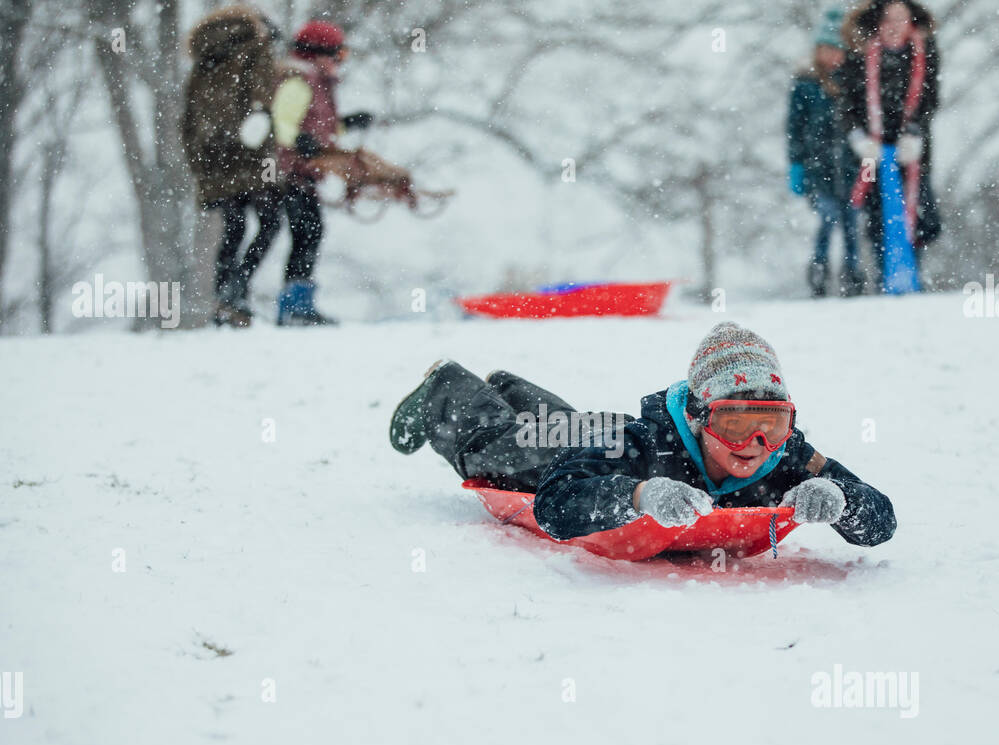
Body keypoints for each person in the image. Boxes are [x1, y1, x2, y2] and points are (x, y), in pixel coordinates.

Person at [389, 322, 895, 547]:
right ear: (699, 417)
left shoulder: (787, 457)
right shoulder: (642, 446)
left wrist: (842, 499)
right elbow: (554, 504)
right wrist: (638, 494)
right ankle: (447, 386)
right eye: (735, 425)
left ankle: (508, 386)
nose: (756, 445)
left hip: (593, 431)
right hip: (596, 446)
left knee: (556, 422)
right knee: (497, 446)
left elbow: (881, 518)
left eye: (773, 424)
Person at [182, 5, 284, 327]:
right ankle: (235, 292)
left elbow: (187, 119)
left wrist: (198, 162)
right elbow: (262, 98)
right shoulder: (257, 49)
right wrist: (263, 124)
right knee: (269, 223)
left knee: (233, 228)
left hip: (213, 157)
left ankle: (224, 300)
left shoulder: (203, 59)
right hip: (250, 154)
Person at [270, 20, 374, 326]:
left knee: (309, 233)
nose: (339, 61)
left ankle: (296, 305)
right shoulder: (299, 80)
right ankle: (293, 308)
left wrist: (347, 124)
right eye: (337, 54)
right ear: (317, 53)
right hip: (287, 173)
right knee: (306, 232)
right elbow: (280, 122)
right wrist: (297, 141)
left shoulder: (317, 82)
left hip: (303, 174)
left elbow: (317, 129)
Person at [835, 0, 941, 278]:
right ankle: (885, 275)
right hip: (871, 151)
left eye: (901, 19)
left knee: (919, 211)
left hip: (913, 150)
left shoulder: (925, 51)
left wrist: (916, 130)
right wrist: (858, 136)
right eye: (888, 19)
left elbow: (930, 98)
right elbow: (846, 102)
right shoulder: (860, 52)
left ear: (912, 21)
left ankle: (912, 272)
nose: (894, 26)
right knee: (877, 214)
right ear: (877, 23)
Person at [787, 7, 864, 298]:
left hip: (850, 166)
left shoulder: (851, 83)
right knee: (827, 218)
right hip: (818, 167)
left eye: (838, 50)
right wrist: (797, 164)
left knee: (851, 223)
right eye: (827, 50)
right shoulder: (805, 86)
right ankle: (818, 273)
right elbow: (795, 128)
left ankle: (853, 276)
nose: (833, 57)